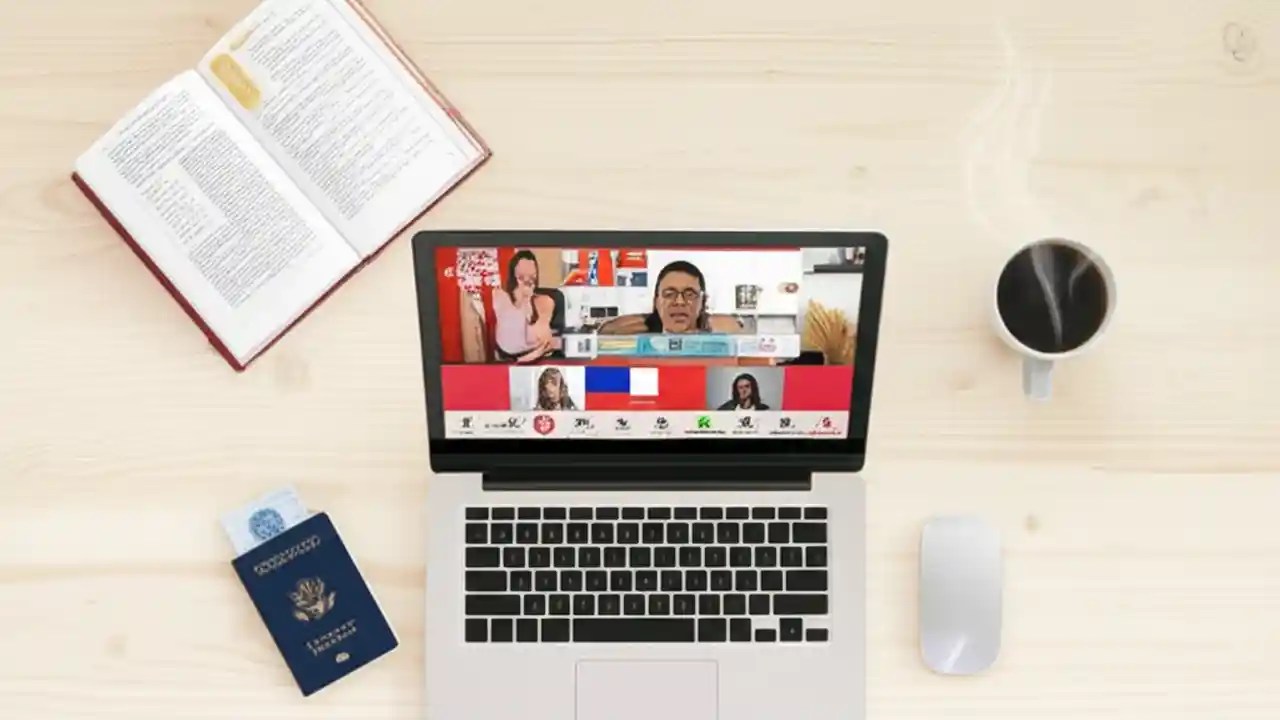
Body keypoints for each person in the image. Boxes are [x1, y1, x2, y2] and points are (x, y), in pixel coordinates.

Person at [598, 260, 743, 335]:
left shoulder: (715, 328)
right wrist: (652, 323)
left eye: (689, 294)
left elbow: (735, 329)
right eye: (669, 294)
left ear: (703, 302)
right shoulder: (641, 329)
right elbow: (606, 332)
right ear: (656, 302)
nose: (679, 301)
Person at [493, 250, 556, 362]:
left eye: (532, 277)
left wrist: (527, 301)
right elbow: (513, 333)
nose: (527, 282)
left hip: (536, 357)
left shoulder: (545, 301)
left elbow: (542, 337)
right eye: (521, 277)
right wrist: (521, 299)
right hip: (506, 361)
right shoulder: (500, 297)